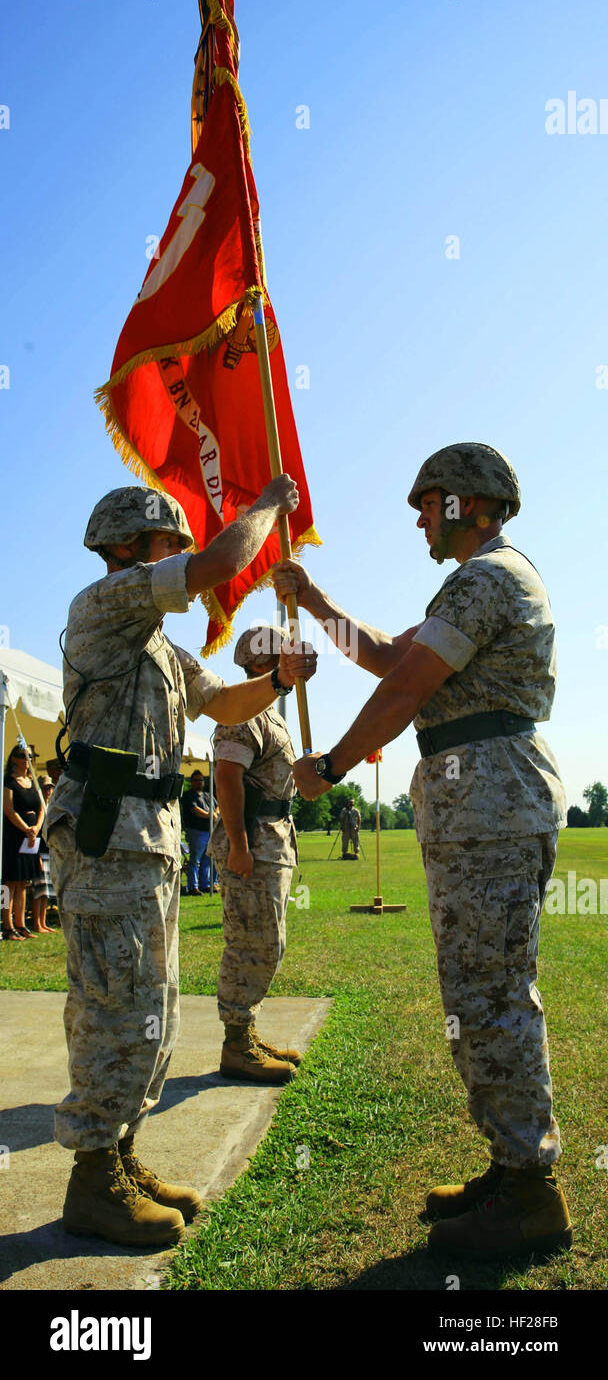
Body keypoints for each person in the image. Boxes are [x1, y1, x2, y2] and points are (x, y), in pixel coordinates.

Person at [274, 442, 571, 1261]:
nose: (416, 517)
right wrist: (316, 597)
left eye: (427, 501)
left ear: (467, 503)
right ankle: (511, 1168)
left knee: (495, 992)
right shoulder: (477, 581)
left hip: (491, 801)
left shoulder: (489, 578)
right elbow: (385, 655)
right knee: (479, 991)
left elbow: (404, 689)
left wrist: (330, 765)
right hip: (481, 801)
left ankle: (531, 1192)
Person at [45, 478, 315, 1249]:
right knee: (113, 1004)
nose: (183, 556)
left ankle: (122, 1158)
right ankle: (92, 1179)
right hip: (108, 835)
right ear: (128, 549)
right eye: (170, 542)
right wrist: (270, 502)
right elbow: (223, 558)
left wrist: (278, 682)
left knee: (154, 1009)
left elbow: (227, 706)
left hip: (149, 835)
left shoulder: (161, 647)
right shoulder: (102, 608)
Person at [209, 624, 316, 1084]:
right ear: (260, 660)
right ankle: (237, 1045)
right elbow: (227, 778)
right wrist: (239, 846)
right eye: (281, 653)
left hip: (273, 840)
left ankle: (246, 1032)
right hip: (251, 844)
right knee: (251, 943)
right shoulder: (243, 710)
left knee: (268, 943)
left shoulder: (270, 711)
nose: (290, 660)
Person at [2, 744, 44, 940]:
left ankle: (21, 924)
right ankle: (8, 925)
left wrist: (36, 827)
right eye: (22, 756)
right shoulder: (8, 782)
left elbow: (42, 808)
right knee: (9, 883)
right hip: (14, 835)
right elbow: (9, 810)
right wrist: (26, 829)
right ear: (13, 759)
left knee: (23, 882)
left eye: (29, 756)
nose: (26, 760)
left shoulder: (32, 782)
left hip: (31, 836)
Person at [181, 770, 216, 894]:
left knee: (207, 859)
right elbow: (194, 809)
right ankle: (192, 886)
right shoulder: (188, 795)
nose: (199, 782)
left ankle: (205, 884)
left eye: (201, 780)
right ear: (191, 782)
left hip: (209, 831)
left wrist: (215, 813)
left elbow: (217, 806)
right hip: (196, 831)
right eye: (196, 780)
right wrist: (210, 815)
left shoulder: (208, 795)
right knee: (195, 860)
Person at [31, 775, 57, 934]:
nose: (49, 790)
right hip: (39, 851)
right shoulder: (38, 808)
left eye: (51, 787)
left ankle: (43, 921)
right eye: (46, 787)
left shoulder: (51, 806)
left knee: (46, 891)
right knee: (39, 890)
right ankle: (36, 923)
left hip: (50, 851)